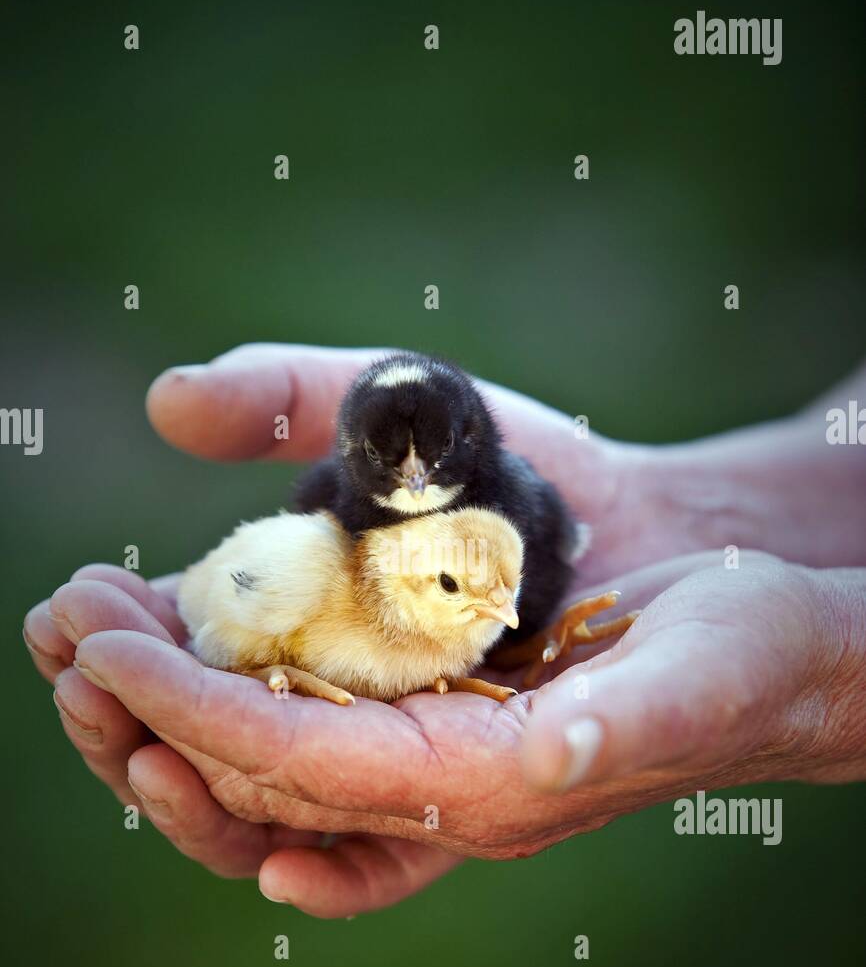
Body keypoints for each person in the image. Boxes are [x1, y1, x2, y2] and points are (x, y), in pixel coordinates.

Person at [23, 345, 866, 918]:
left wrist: (829, 656)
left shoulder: (520, 504)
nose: (417, 476)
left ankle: (507, 645)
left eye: (437, 450)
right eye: (390, 458)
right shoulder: (333, 522)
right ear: (357, 453)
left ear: (477, 438)